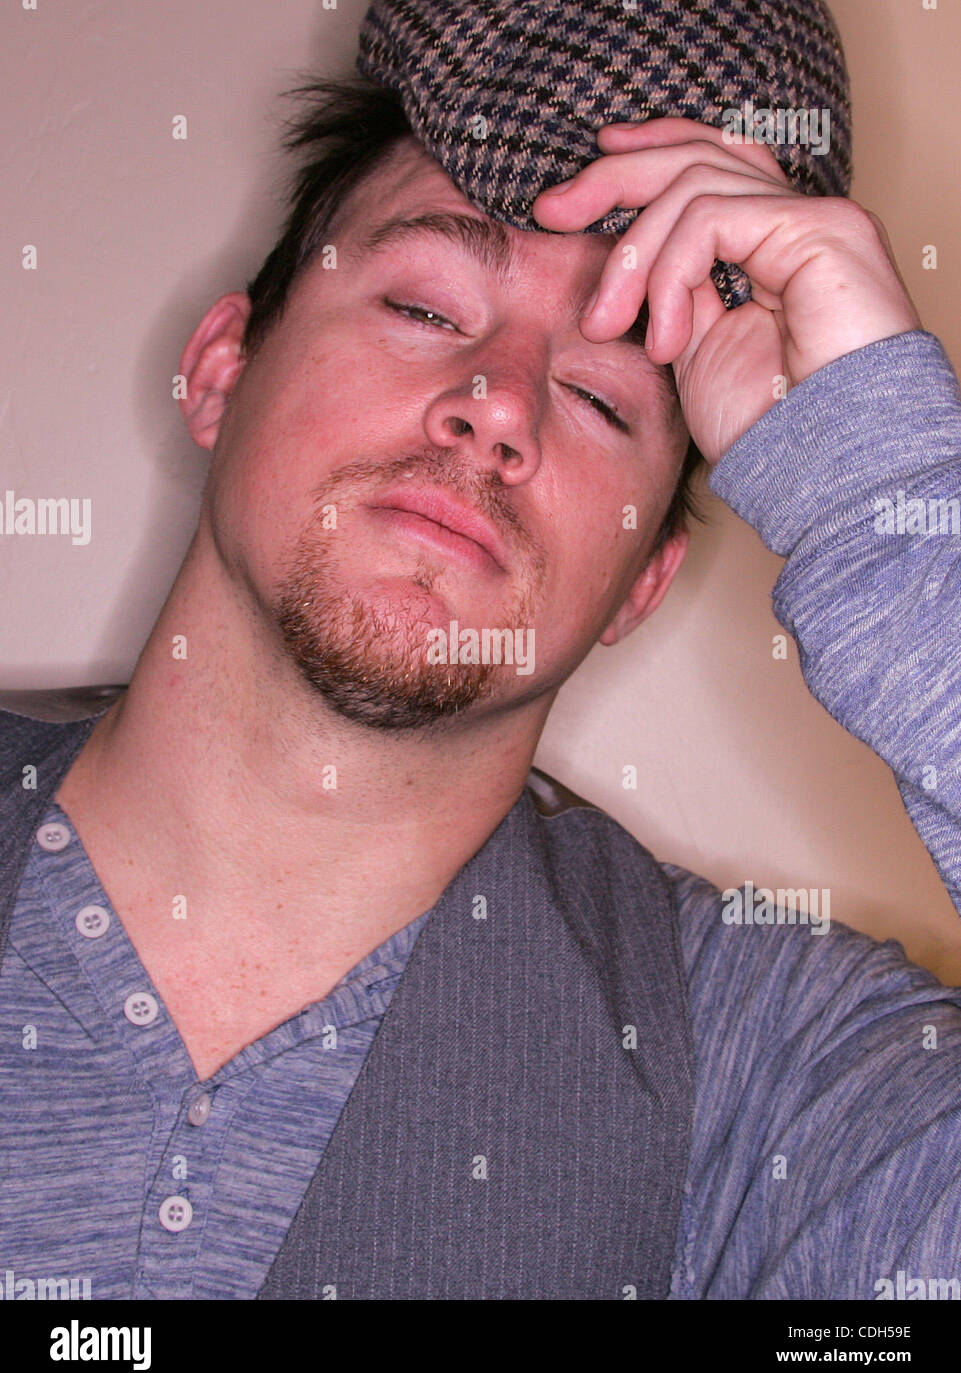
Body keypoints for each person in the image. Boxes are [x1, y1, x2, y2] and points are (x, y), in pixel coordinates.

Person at [2, 0, 961, 1301]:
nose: (498, 402)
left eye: (599, 395)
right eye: (421, 305)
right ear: (221, 367)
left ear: (641, 581)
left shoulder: (771, 1071)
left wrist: (875, 477)